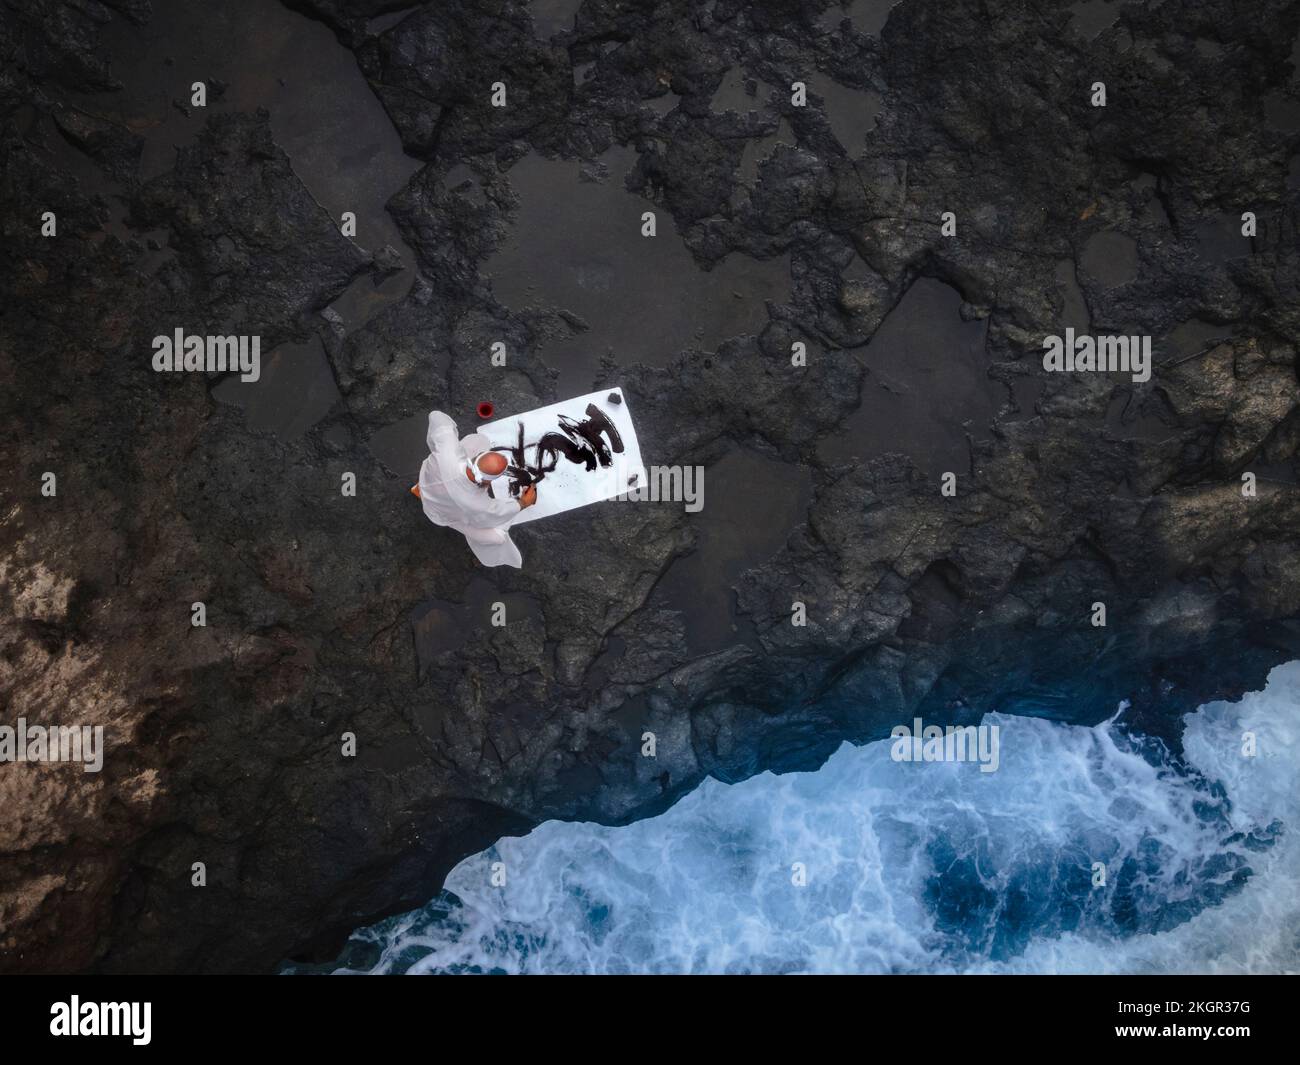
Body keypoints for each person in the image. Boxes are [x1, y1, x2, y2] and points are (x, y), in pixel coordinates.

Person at [411, 410, 536, 568]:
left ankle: (420, 489)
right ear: (486, 481)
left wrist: (441, 446)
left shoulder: (447, 449)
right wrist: (523, 503)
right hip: (442, 514)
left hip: (428, 482)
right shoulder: (475, 502)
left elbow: (436, 416)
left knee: (479, 440)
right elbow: (493, 514)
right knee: (497, 538)